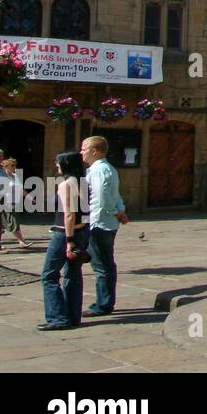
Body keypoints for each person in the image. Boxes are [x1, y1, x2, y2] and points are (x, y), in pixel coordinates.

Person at [39, 151, 88, 331]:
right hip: (82, 231)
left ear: (66, 164)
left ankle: (57, 318)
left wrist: (69, 240)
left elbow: (69, 215)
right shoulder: (83, 182)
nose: (56, 165)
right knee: (73, 275)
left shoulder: (66, 184)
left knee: (49, 276)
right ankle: (73, 317)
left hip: (64, 234)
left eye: (58, 162)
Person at [80, 136, 127, 317]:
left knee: (102, 266)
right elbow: (116, 196)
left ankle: (103, 304)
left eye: (84, 149)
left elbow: (102, 199)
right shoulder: (108, 169)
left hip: (99, 223)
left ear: (95, 152)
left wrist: (115, 212)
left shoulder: (99, 170)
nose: (81, 152)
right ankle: (105, 301)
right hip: (107, 222)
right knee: (105, 264)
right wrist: (120, 211)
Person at [0, 157, 32, 249]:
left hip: (16, 202)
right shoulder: (2, 176)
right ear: (6, 167)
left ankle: (0, 244)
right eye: (12, 165)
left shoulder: (15, 176)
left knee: (3, 224)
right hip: (6, 202)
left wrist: (29, 197)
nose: (14, 167)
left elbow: (21, 189)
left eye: (14, 165)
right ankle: (22, 241)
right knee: (13, 222)